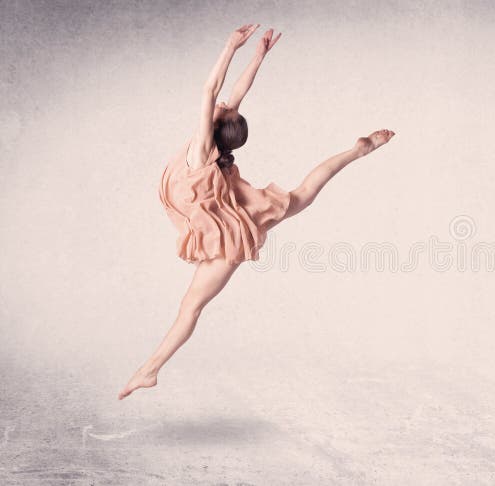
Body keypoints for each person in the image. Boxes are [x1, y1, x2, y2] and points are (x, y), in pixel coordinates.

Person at [118, 24, 395, 400]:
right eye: (226, 108)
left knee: (190, 307)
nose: (224, 104)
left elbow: (209, 90)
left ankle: (149, 371)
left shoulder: (201, 151)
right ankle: (356, 151)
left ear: (215, 127)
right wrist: (259, 57)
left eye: (223, 110)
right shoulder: (217, 139)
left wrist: (230, 46)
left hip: (227, 234)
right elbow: (234, 95)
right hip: (230, 210)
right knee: (299, 197)